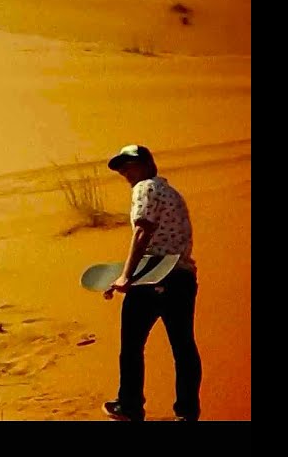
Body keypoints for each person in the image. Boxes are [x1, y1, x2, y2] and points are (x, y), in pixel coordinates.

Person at [101, 144, 202, 422]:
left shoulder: (145, 188)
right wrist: (124, 276)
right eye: (120, 167)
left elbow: (143, 231)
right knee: (183, 347)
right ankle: (187, 412)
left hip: (154, 279)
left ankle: (130, 405)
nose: (123, 171)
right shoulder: (172, 193)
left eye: (128, 165)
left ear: (146, 164)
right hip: (182, 278)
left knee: (132, 345)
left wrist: (125, 276)